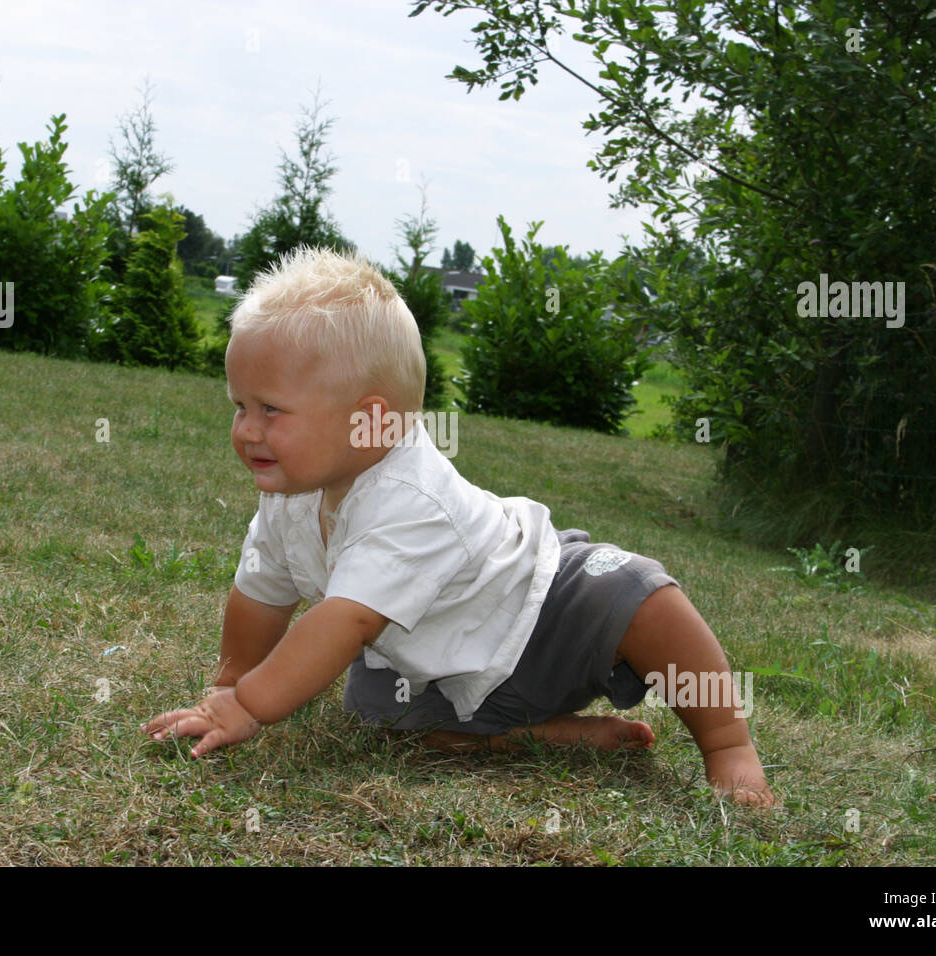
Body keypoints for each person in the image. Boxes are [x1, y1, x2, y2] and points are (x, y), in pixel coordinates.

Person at [142, 247, 775, 807]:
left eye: (271, 410)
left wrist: (250, 705)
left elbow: (343, 622)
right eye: (240, 406)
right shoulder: (289, 495)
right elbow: (261, 593)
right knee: (371, 709)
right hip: (453, 663)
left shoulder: (409, 497)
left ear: (369, 421)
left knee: (642, 596)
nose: (247, 430)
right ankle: (530, 735)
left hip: (544, 609)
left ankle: (728, 745)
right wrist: (224, 687)